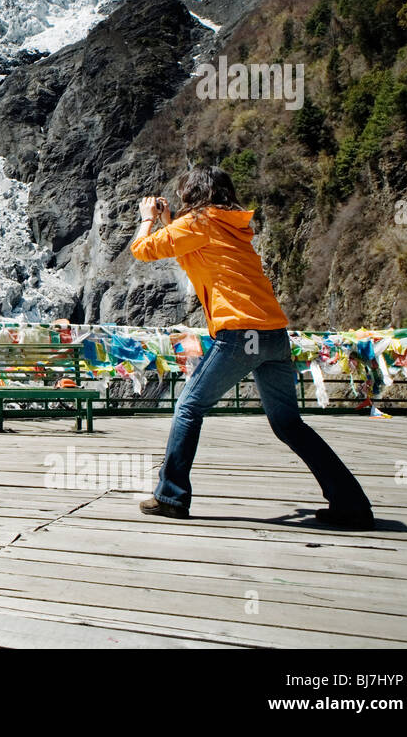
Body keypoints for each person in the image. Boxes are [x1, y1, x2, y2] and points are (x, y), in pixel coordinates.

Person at [130, 166, 374, 529]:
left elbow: (142, 250)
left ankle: (171, 497)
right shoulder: (232, 226)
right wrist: (170, 221)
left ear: (192, 194)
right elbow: (189, 254)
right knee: (289, 423)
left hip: (240, 334)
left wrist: (148, 219)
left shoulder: (197, 223)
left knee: (188, 407)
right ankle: (351, 502)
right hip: (273, 334)